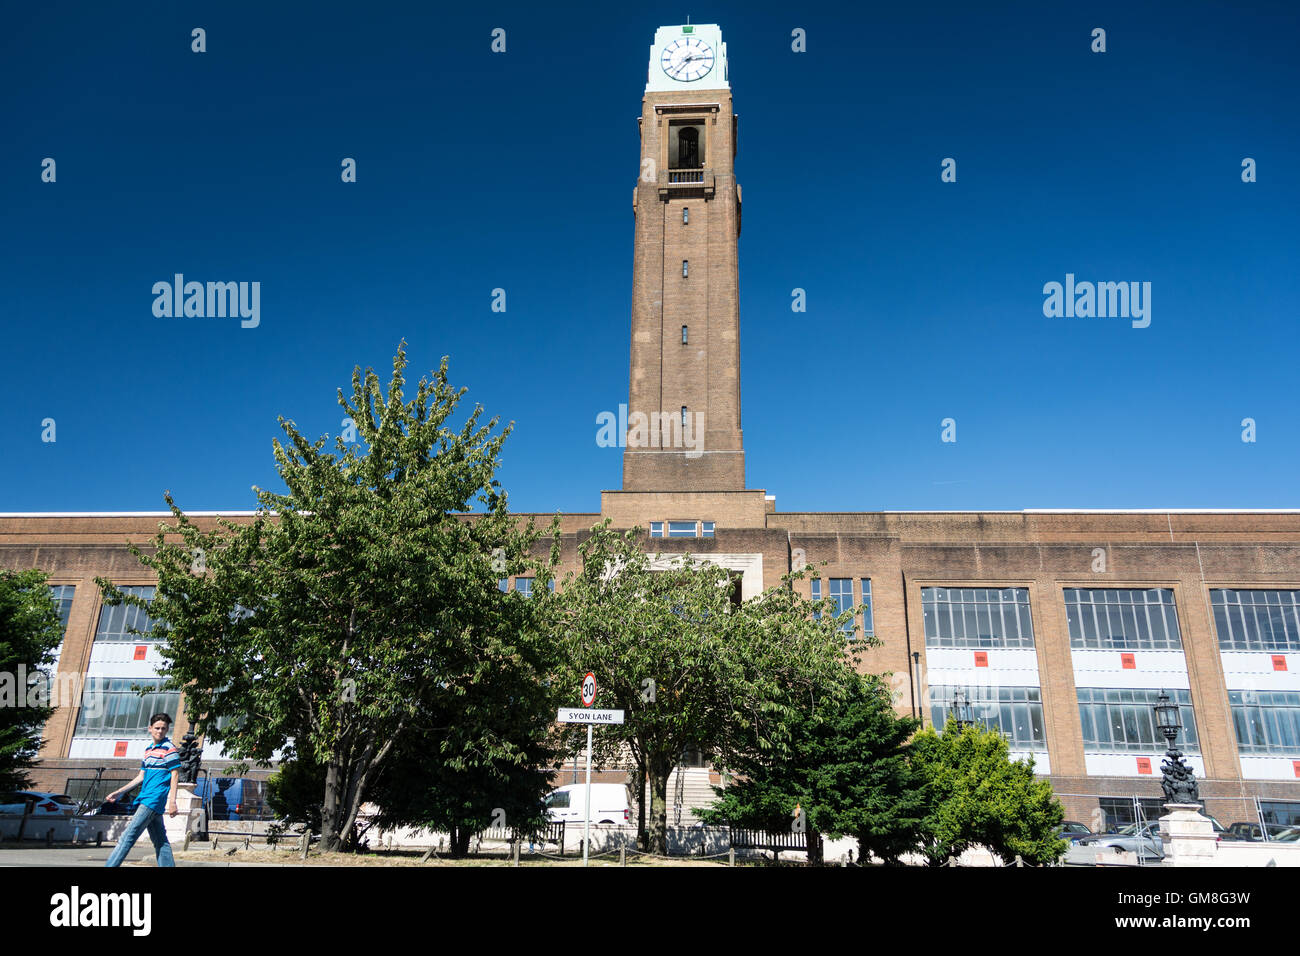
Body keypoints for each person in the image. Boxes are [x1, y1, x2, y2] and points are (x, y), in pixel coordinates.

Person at [103, 713, 182, 867]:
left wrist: (173, 801)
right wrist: (119, 792)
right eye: (157, 728)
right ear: (150, 729)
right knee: (160, 841)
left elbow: (175, 774)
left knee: (128, 837)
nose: (160, 731)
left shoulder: (169, 748)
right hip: (146, 797)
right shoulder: (148, 750)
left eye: (164, 729)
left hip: (153, 800)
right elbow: (140, 777)